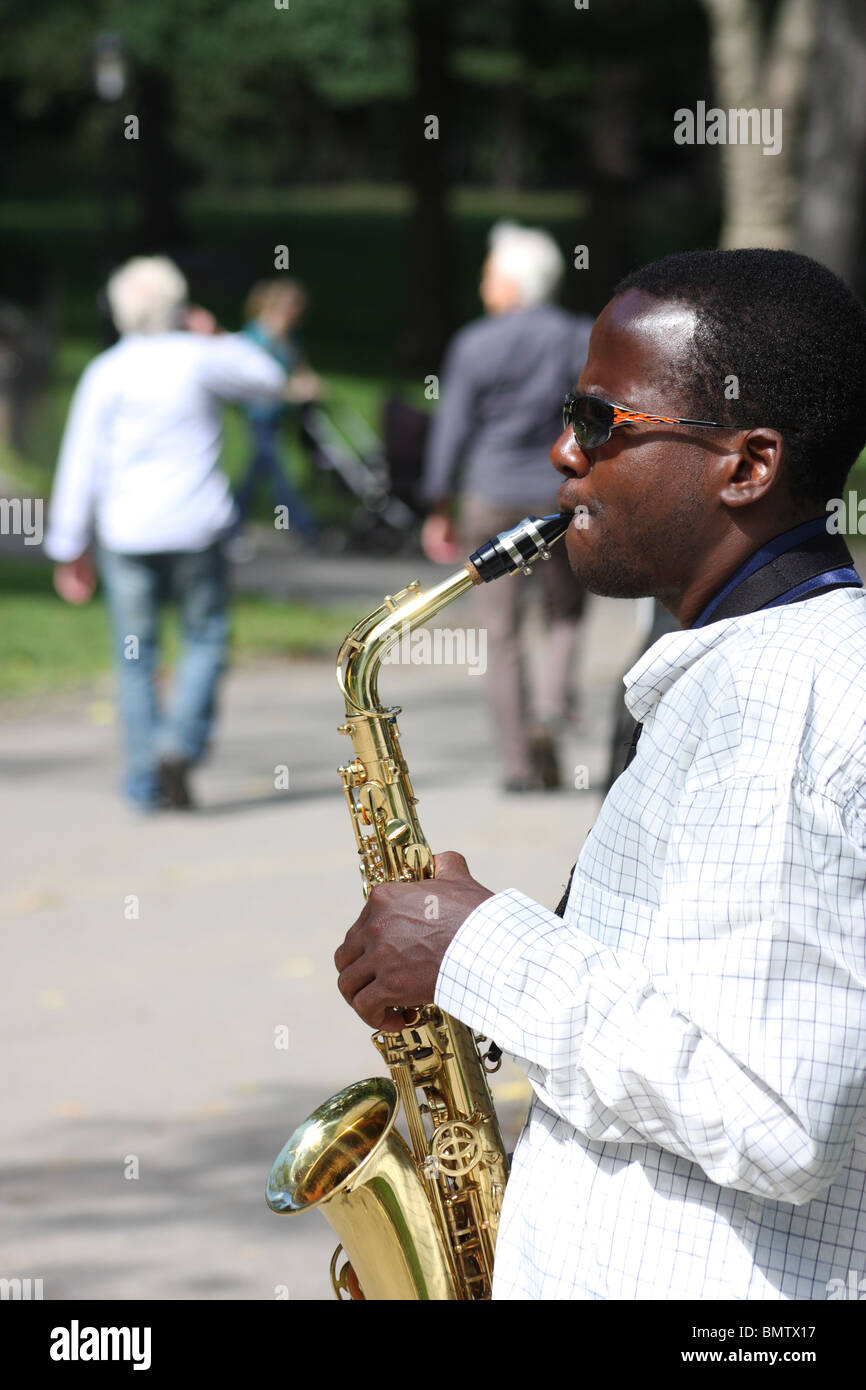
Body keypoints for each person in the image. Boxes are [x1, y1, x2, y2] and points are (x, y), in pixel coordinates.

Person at [335, 247, 866, 1300]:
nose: (560, 454)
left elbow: (777, 1116)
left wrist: (479, 948)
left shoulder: (795, 700)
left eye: (596, 423)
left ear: (745, 466)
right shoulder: (736, 675)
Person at [43, 255, 291, 811]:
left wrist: (68, 545)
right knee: (204, 639)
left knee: (135, 656)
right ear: (179, 304)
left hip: (127, 532)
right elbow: (272, 380)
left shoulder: (106, 370)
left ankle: (145, 776)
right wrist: (220, 336)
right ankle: (179, 744)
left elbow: (80, 460)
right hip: (196, 528)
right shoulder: (201, 358)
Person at [420, 221, 593, 791]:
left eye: (489, 275)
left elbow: (452, 430)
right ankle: (548, 709)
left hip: (489, 496)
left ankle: (517, 764)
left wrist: (438, 503)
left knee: (501, 633)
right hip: (554, 494)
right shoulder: (575, 336)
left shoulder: (474, 343)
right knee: (565, 613)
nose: (481, 285)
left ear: (514, 283)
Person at [232, 279, 322, 548]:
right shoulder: (257, 337)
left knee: (255, 473)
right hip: (258, 413)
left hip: (276, 415)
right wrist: (292, 389)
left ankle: (230, 525)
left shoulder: (286, 339)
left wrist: (311, 384)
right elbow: (256, 377)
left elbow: (299, 368)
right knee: (277, 472)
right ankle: (307, 528)